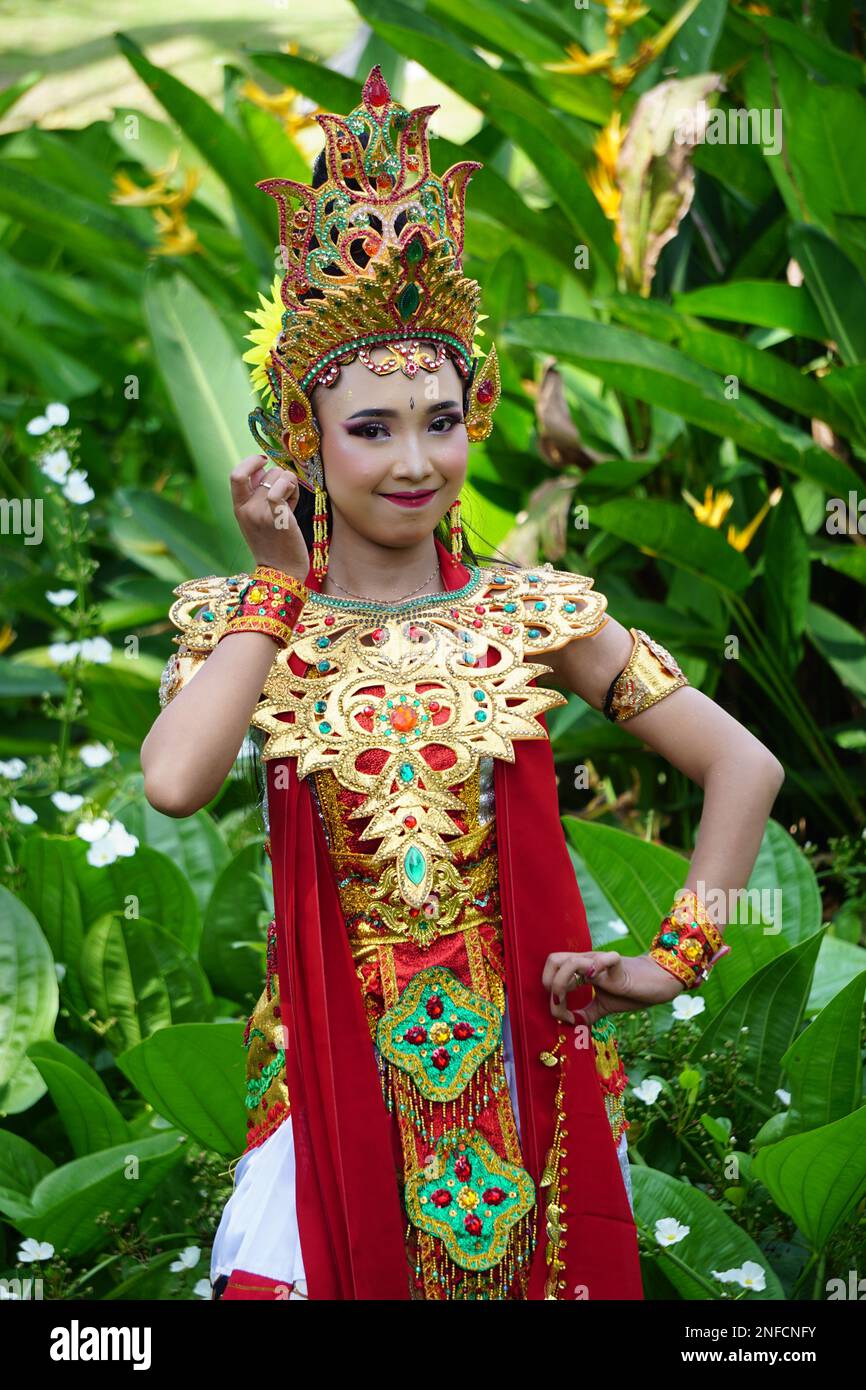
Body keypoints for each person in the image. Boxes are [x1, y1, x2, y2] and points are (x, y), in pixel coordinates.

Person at [140, 66, 785, 1302]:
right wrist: (274, 589)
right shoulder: (254, 628)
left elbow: (740, 763)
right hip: (332, 1080)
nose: (413, 458)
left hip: (515, 1069)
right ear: (301, 439)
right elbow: (173, 782)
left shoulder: (531, 610)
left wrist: (670, 958)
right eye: (370, 427)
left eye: (437, 419)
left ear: (475, 409)